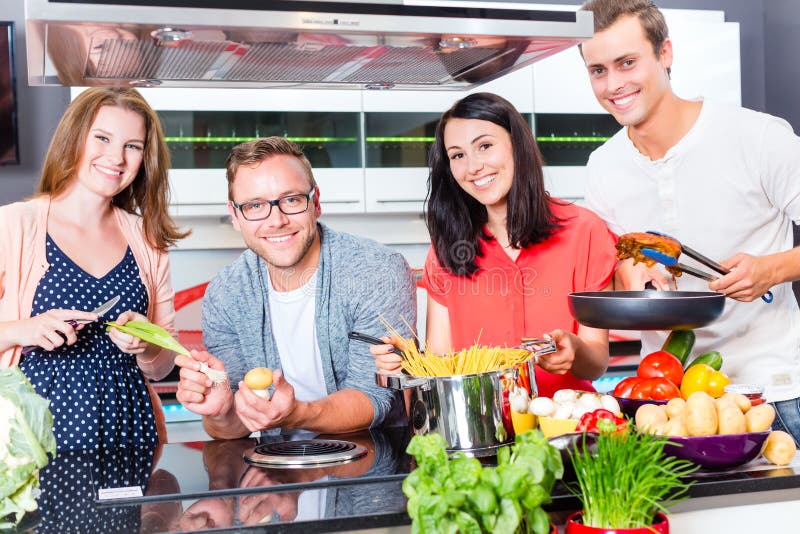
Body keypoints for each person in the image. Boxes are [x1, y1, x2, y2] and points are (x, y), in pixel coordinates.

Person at [579, 0, 800, 442]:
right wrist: (637, 276)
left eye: (627, 63)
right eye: (598, 70)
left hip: (771, 398)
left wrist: (770, 270)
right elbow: (619, 267)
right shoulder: (602, 167)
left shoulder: (757, 137)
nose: (614, 84)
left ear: (665, 54)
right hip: (664, 406)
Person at [372, 92, 617, 397]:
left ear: (518, 145)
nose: (473, 166)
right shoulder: (448, 248)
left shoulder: (584, 231)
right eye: (458, 155)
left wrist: (574, 350)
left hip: (566, 428)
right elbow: (442, 364)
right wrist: (409, 363)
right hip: (482, 430)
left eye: (484, 146)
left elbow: (597, 363)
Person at [174, 137, 415, 439]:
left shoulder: (375, 270)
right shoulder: (225, 294)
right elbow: (234, 426)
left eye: (291, 200)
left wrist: (295, 414)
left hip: (375, 463)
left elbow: (375, 398)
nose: (276, 221)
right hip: (280, 474)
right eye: (255, 205)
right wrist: (221, 412)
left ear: (315, 203)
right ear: (235, 216)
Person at [0, 87, 186, 451]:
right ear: (75, 138)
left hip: (131, 434)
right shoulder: (12, 226)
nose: (116, 157)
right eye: (102, 138)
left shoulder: (148, 240)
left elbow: (162, 365)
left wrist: (145, 344)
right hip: (32, 443)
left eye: (132, 146)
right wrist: (26, 329)